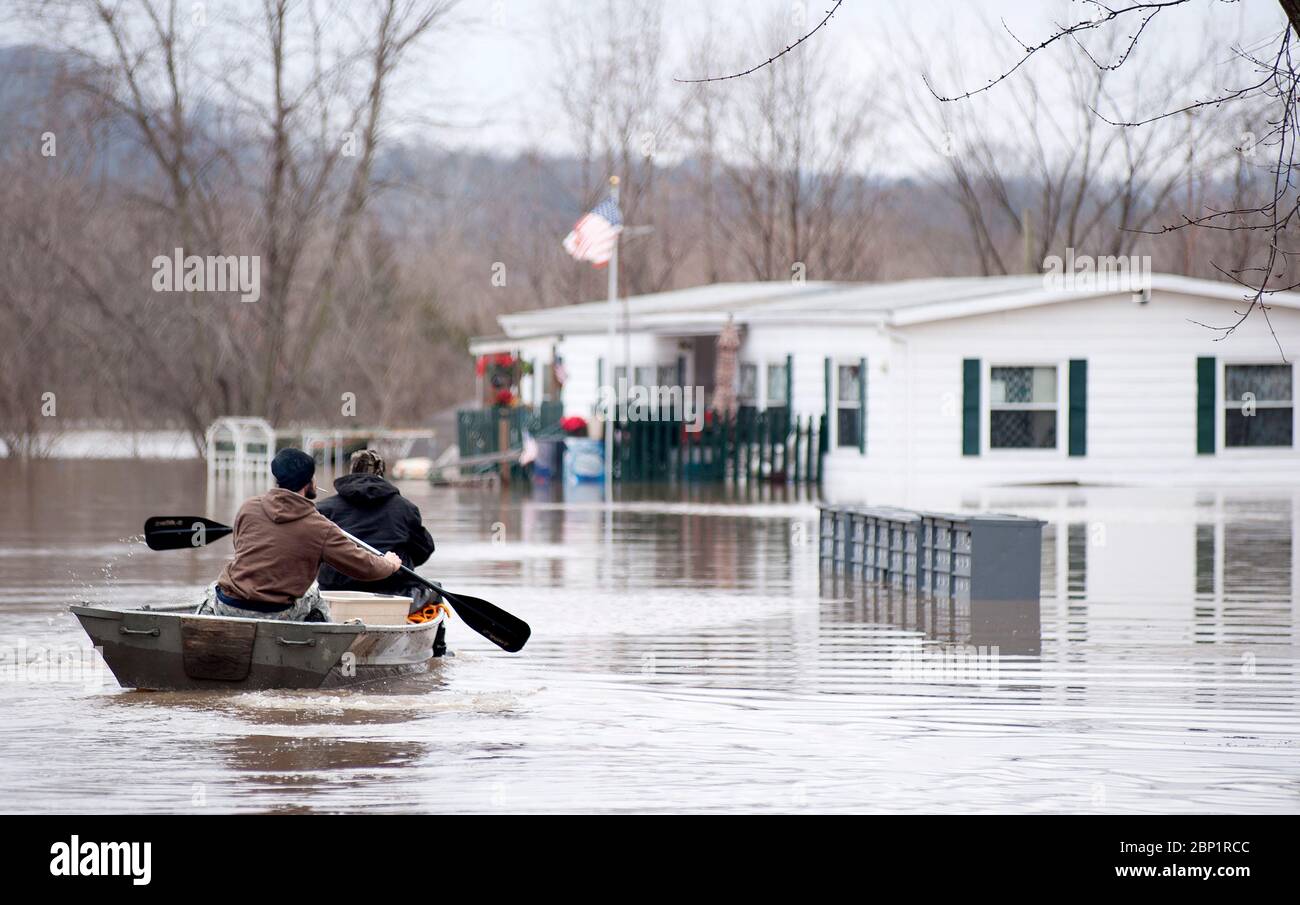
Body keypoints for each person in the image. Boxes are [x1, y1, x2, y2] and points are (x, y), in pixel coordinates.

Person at [199, 448, 402, 621]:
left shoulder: (248, 508)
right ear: (309, 482)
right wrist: (390, 564)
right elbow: (365, 567)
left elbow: (240, 547)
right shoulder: (321, 528)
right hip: (277, 613)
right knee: (314, 595)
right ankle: (320, 654)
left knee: (213, 588)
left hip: (229, 606)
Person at [316, 449, 445, 653]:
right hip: (394, 593)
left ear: (351, 471)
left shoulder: (324, 509)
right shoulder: (404, 508)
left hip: (336, 594)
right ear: (381, 473)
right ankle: (438, 652)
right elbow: (425, 549)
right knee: (435, 592)